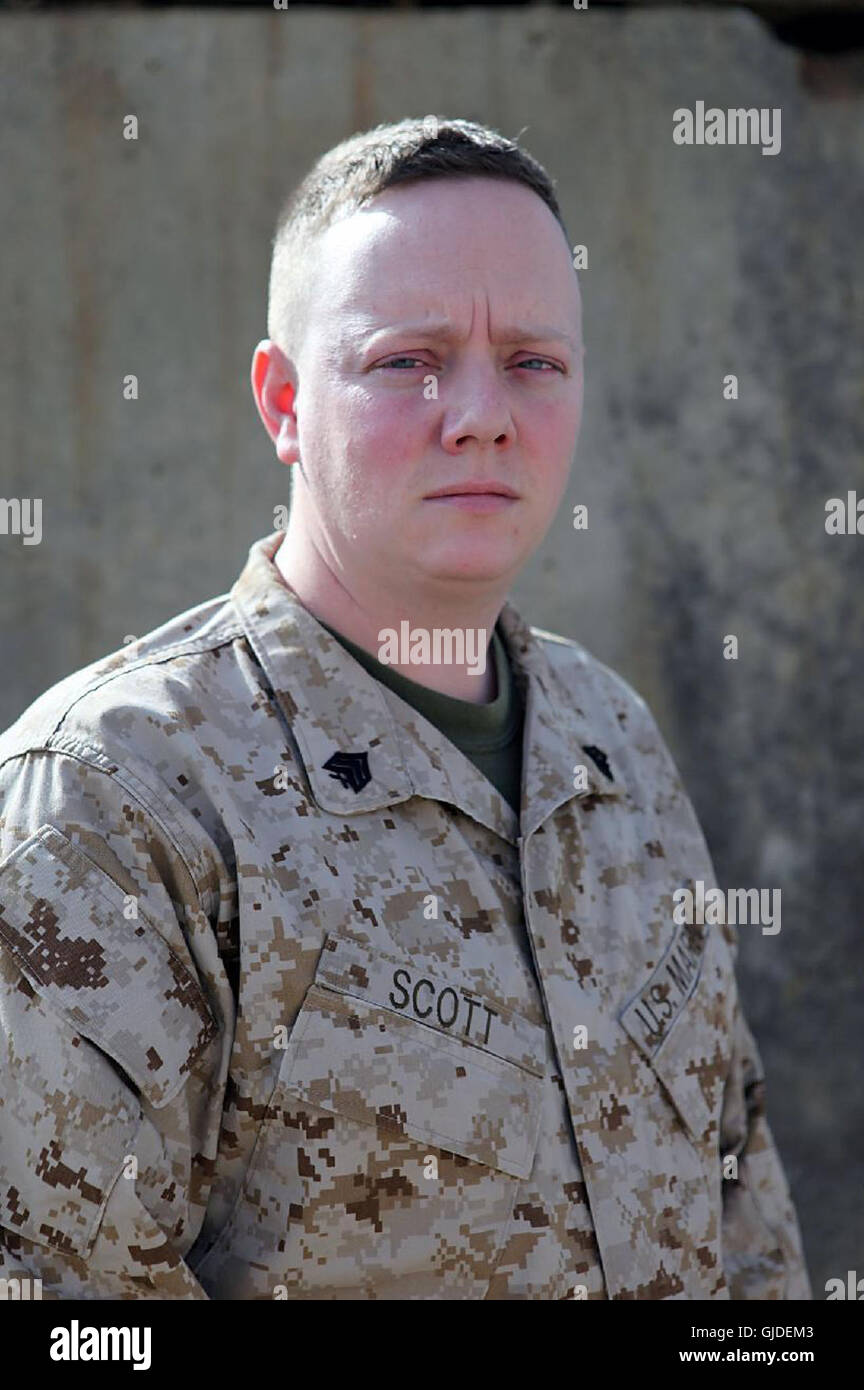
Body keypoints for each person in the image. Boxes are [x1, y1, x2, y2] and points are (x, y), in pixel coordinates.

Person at [0, 117, 809, 1299]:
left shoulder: (613, 742)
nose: (480, 412)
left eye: (534, 361)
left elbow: (745, 1225)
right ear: (283, 401)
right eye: (406, 360)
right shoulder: (117, 800)